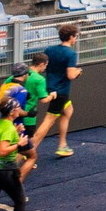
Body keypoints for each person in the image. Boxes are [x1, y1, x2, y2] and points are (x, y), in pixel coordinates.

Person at [34, 24, 81, 158]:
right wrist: (78, 72)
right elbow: (71, 75)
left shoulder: (49, 49)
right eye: (75, 37)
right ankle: (30, 149)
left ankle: (62, 145)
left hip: (50, 87)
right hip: (60, 91)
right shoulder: (71, 53)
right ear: (71, 37)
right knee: (49, 120)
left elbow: (46, 67)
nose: (76, 39)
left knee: (68, 110)